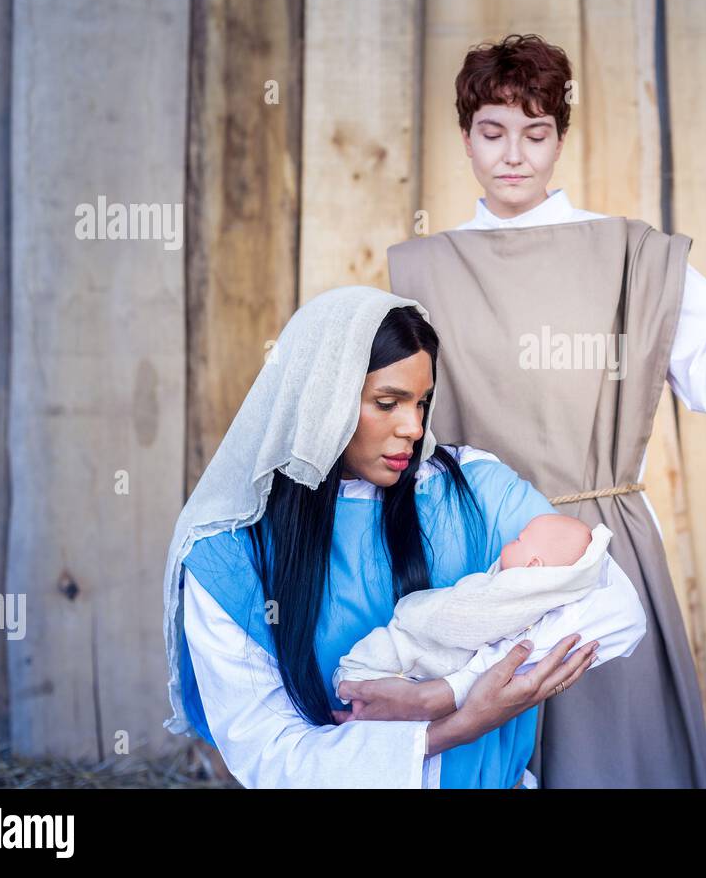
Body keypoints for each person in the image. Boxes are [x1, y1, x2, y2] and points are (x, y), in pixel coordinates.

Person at [388, 33, 706, 788]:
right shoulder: (419, 271)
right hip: (472, 559)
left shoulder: (629, 257)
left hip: (601, 556)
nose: (514, 154)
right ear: (465, 137)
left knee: (608, 762)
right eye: (493, 132)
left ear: (560, 139)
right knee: (481, 745)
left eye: (535, 133)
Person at [160, 286, 600, 788]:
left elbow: (614, 612)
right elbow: (271, 756)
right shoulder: (228, 553)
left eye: (422, 402)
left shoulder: (474, 484)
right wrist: (456, 725)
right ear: (323, 400)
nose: (413, 427)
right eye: (387, 403)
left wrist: (449, 691)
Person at [332, 517, 646, 709]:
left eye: (519, 539)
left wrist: (419, 611)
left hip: (434, 652)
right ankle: (363, 681)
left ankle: (358, 677)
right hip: (428, 666)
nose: (509, 540)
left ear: (533, 567)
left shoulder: (519, 596)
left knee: (395, 649)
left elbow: (465, 617)